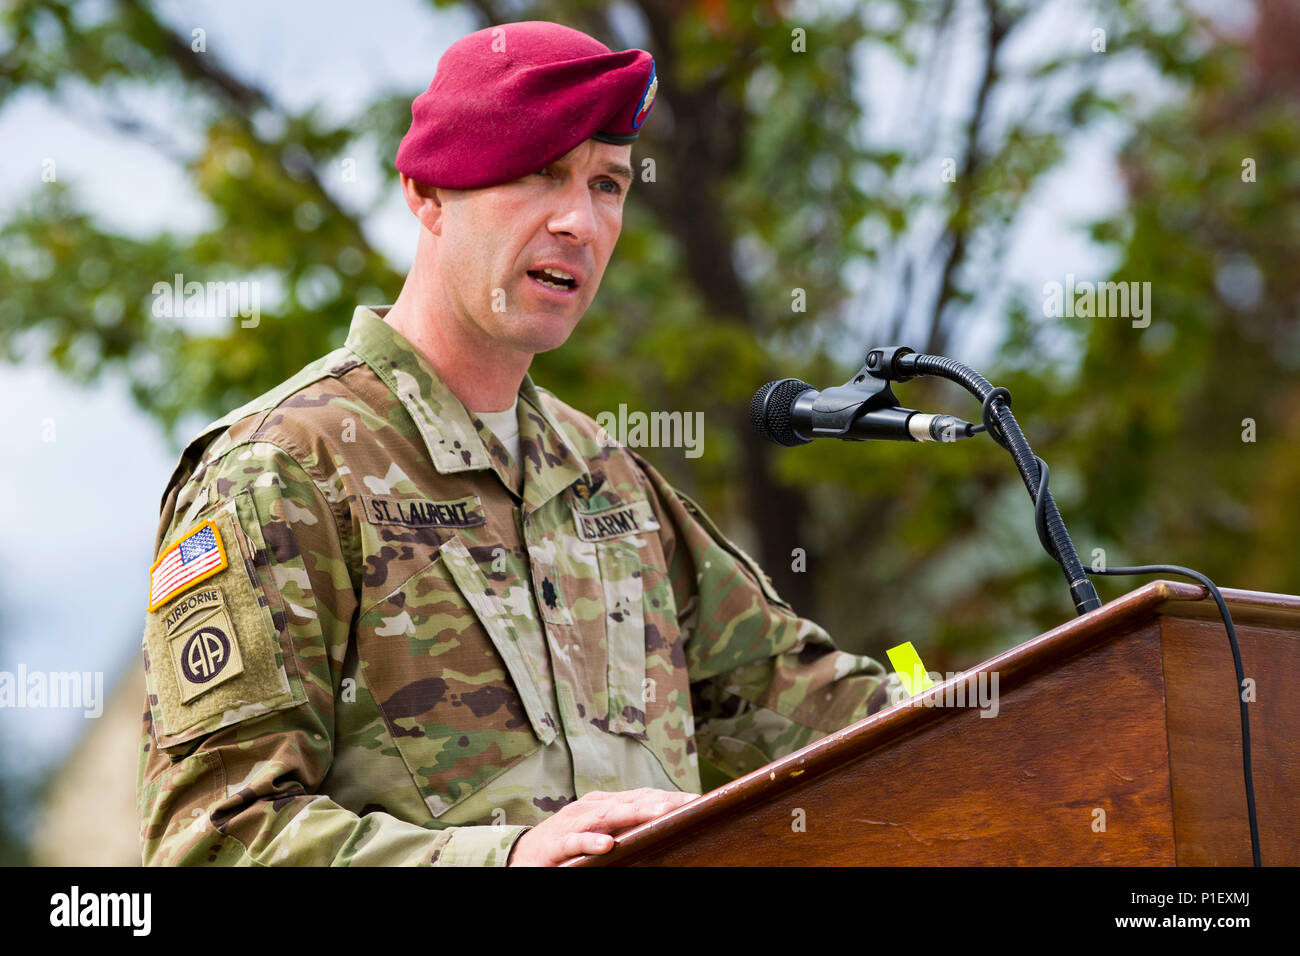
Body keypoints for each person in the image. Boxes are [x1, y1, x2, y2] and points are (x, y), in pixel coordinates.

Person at [137, 19, 899, 867]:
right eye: (542, 174)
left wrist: (1023, 701)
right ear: (427, 192)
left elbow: (817, 703)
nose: (580, 220)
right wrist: (498, 862)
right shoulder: (282, 471)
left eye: (607, 185)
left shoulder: (607, 479)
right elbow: (211, 840)